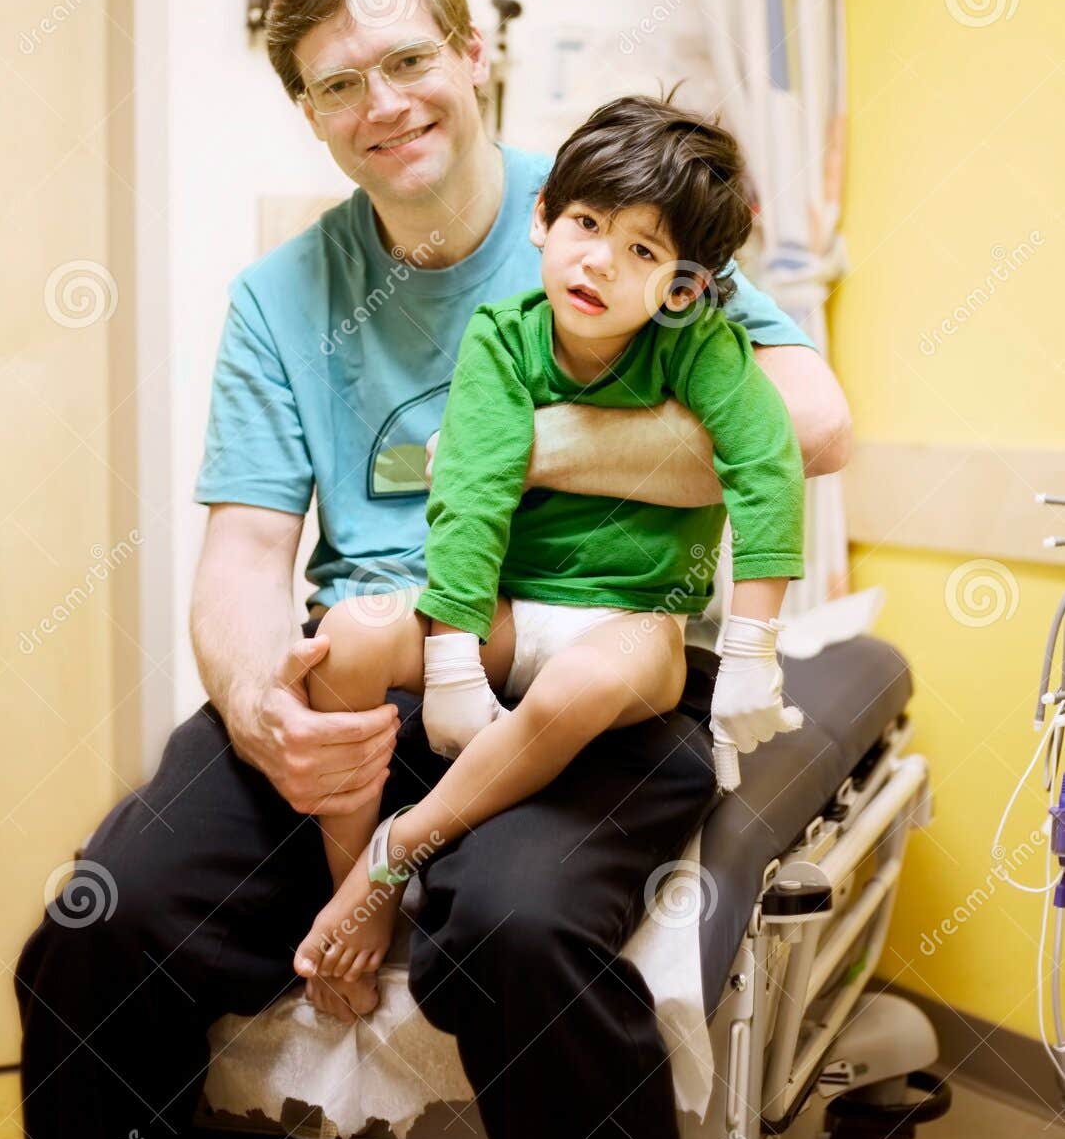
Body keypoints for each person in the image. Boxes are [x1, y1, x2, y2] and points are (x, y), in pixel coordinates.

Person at [15, 0, 851, 1139]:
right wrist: (262, 713)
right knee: (96, 928)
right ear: (307, 111)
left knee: (511, 929)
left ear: (474, 56)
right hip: (376, 667)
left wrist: (520, 453)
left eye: (408, 58)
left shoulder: (614, 210)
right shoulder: (280, 298)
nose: (383, 102)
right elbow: (241, 555)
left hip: (585, 661)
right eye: (338, 82)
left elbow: (812, 421)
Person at [293, 92, 805, 986]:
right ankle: (355, 890)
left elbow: (767, 469)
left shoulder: (700, 350)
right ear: (543, 218)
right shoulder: (501, 339)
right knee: (347, 637)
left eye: (641, 251)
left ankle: (399, 847)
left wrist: (754, 646)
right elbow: (470, 493)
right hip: (505, 609)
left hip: (633, 624)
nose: (599, 261)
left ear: (682, 287)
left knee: (578, 680)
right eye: (585, 223)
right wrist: (450, 659)